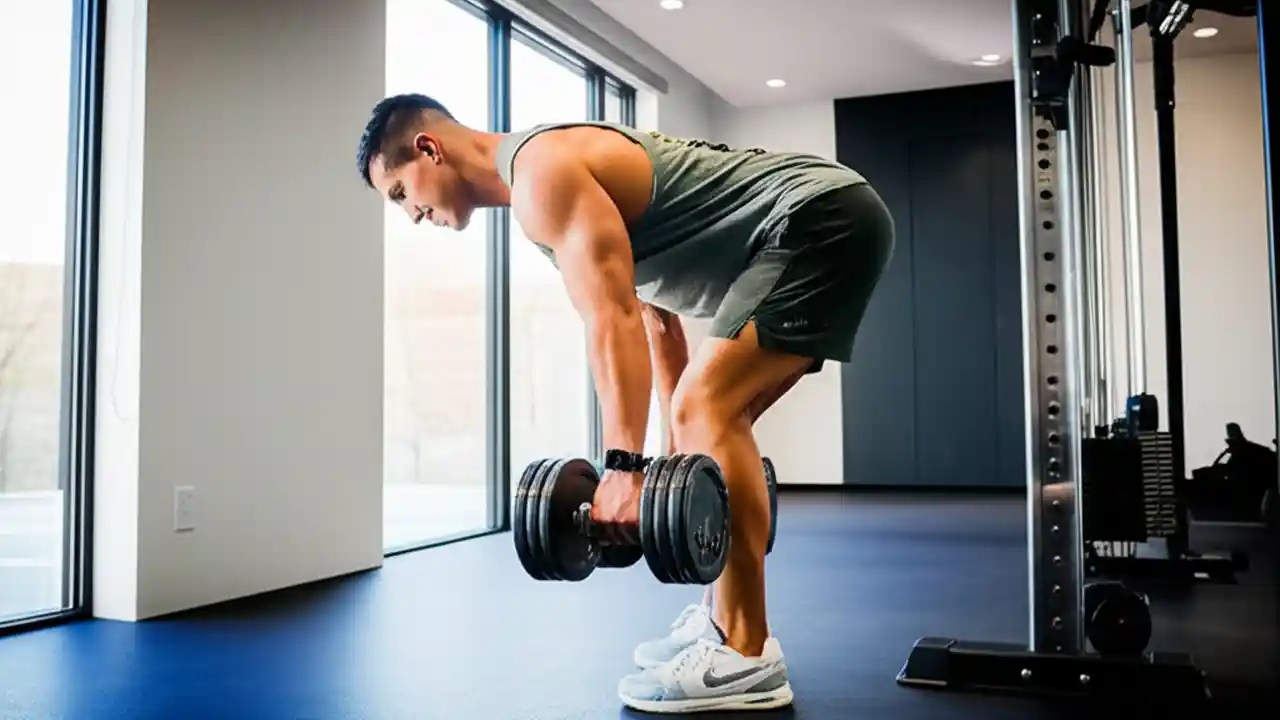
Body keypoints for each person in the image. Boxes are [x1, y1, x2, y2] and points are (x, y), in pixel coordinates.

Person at [355, 93, 894, 714]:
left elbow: (611, 320)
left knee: (707, 408)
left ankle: (747, 654)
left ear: (428, 148)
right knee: (710, 418)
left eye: (400, 193)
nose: (411, 215)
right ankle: (723, 620)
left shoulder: (541, 173)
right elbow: (654, 321)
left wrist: (624, 468)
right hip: (822, 217)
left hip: (816, 218)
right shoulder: (549, 182)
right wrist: (675, 454)